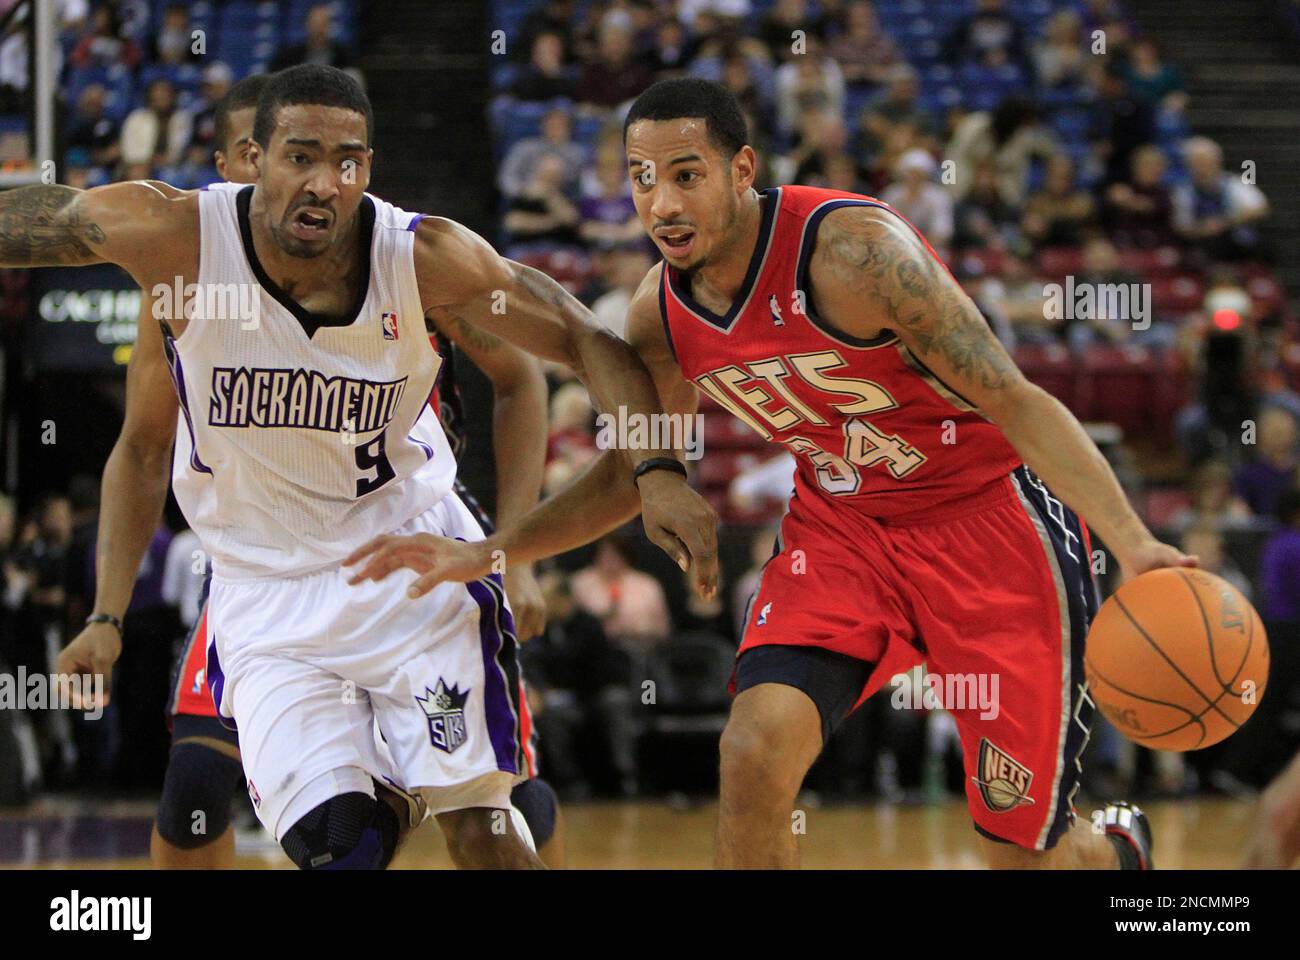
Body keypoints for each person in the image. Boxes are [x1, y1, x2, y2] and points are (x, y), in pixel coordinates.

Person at [351, 78, 1195, 871]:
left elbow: (1014, 398)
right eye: (643, 179)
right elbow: (631, 473)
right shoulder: (661, 312)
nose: (663, 203)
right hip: (844, 537)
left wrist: (1134, 541)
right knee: (752, 754)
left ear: (741, 169)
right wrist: (494, 550)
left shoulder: (857, 253)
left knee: (1021, 854)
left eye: (687, 174)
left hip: (990, 531)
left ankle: (1113, 851)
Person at [8, 64, 714, 871]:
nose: (323, 182)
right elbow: (40, 224)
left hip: (412, 567)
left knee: (487, 834)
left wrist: (655, 467)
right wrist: (104, 615)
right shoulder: (174, 239)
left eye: (346, 161)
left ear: (369, 168)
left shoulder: (424, 259)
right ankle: (398, 781)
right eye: (300, 156)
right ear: (254, 157)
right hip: (266, 592)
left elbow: (585, 336)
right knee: (338, 851)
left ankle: (429, 777)